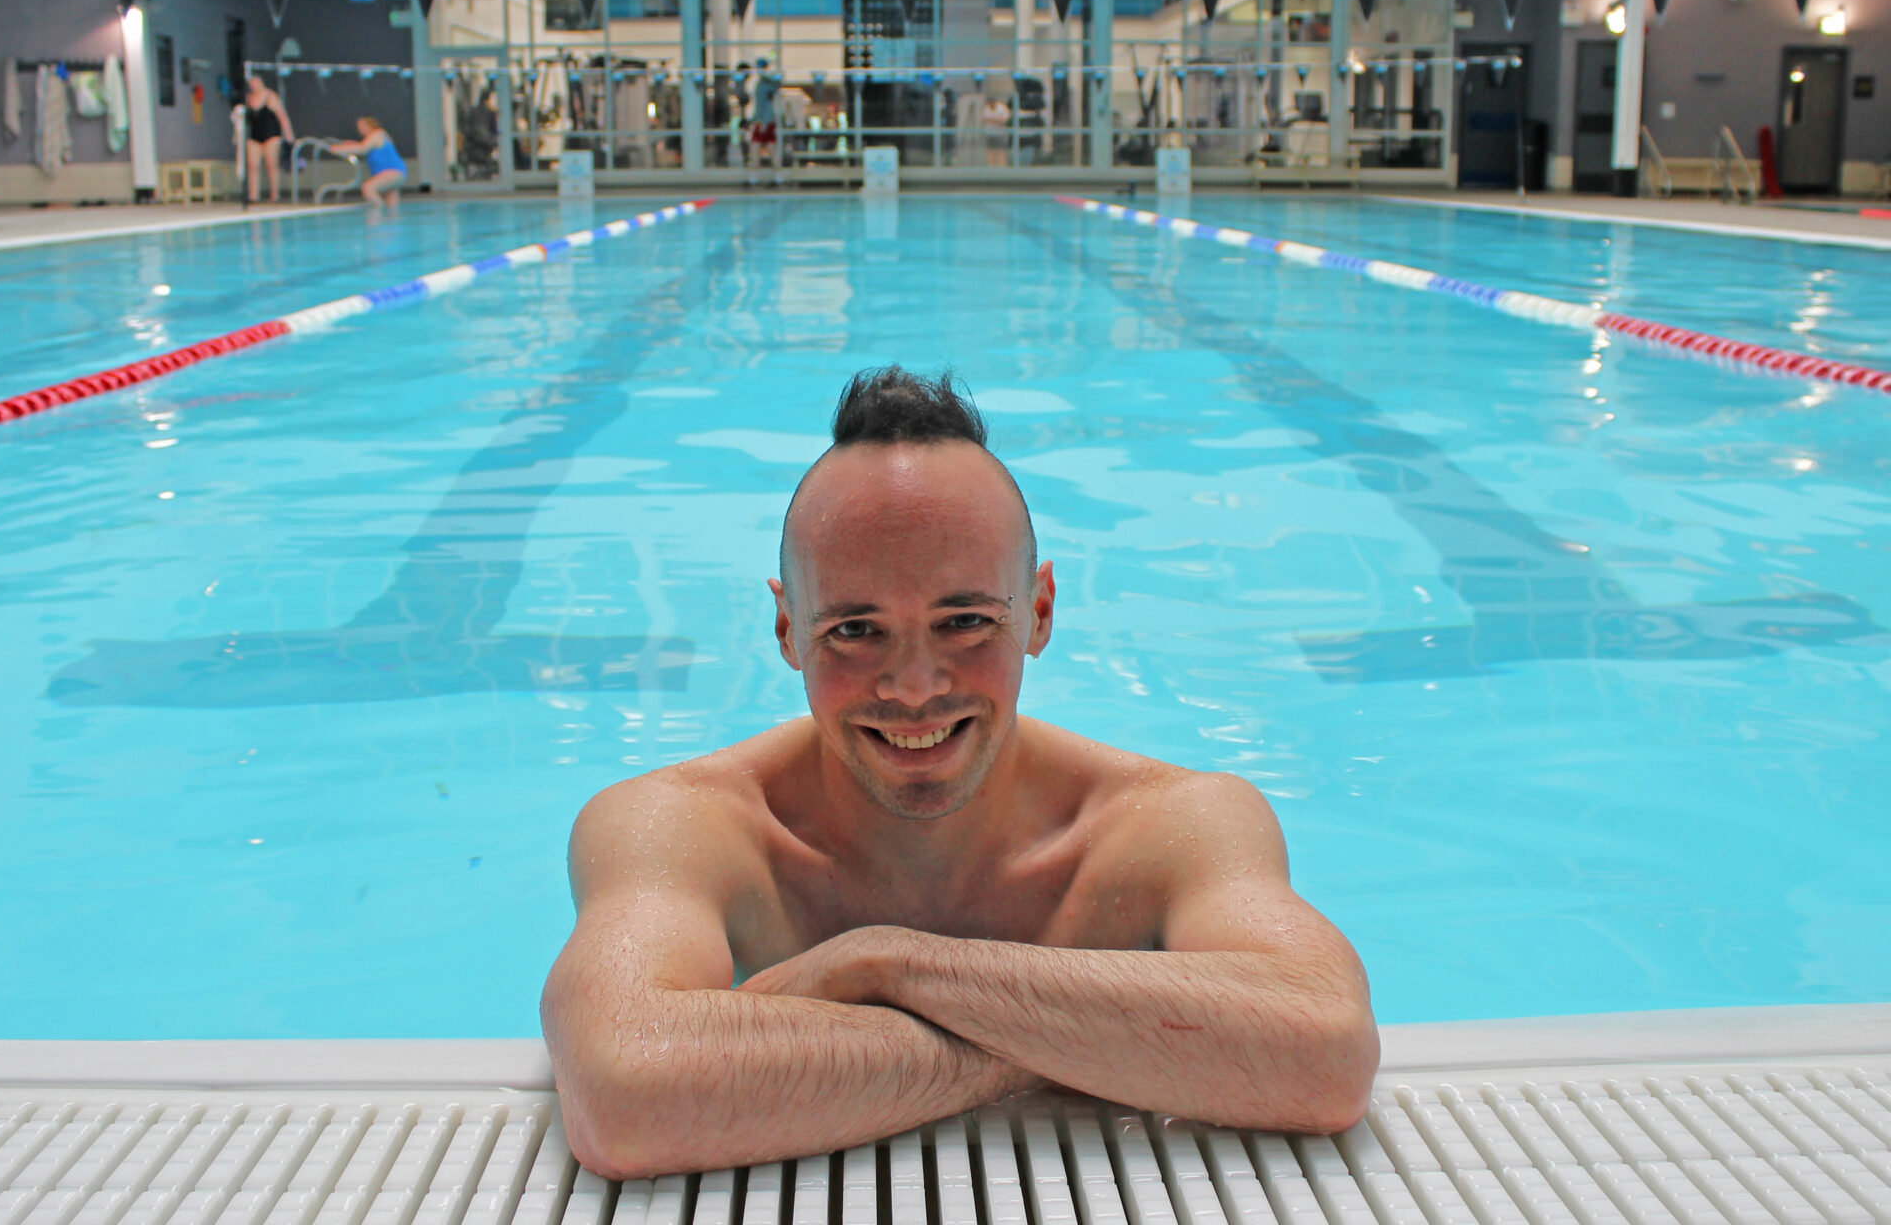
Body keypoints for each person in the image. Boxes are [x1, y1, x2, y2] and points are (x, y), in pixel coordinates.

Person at [542, 368, 1379, 1179]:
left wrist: (889, 965)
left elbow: (1328, 1055)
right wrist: (1095, 1043)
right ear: (788, 628)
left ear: (1039, 613)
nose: (914, 686)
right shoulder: (681, 825)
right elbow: (623, 1101)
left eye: (966, 621)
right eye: (855, 630)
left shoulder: (1170, 823)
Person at [329, 115, 407, 208]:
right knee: (392, 207)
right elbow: (365, 146)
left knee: (368, 188)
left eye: (361, 125)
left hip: (392, 172)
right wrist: (350, 145)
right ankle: (388, 219)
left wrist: (338, 149)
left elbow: (362, 148)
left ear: (369, 125)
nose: (359, 128)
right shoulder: (377, 136)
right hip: (397, 172)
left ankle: (379, 211)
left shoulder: (377, 133)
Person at [242, 75, 294, 204]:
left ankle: (274, 194)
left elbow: (282, 116)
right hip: (254, 136)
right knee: (252, 165)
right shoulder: (249, 99)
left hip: (271, 135)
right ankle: (253, 195)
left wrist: (288, 134)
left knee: (271, 165)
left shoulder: (270, 96)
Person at [747, 57, 782, 181]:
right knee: (767, 148)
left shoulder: (766, 84)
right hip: (763, 121)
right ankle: (775, 176)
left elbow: (766, 105)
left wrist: (763, 122)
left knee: (758, 148)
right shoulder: (762, 83)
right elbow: (759, 105)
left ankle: (757, 177)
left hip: (764, 122)